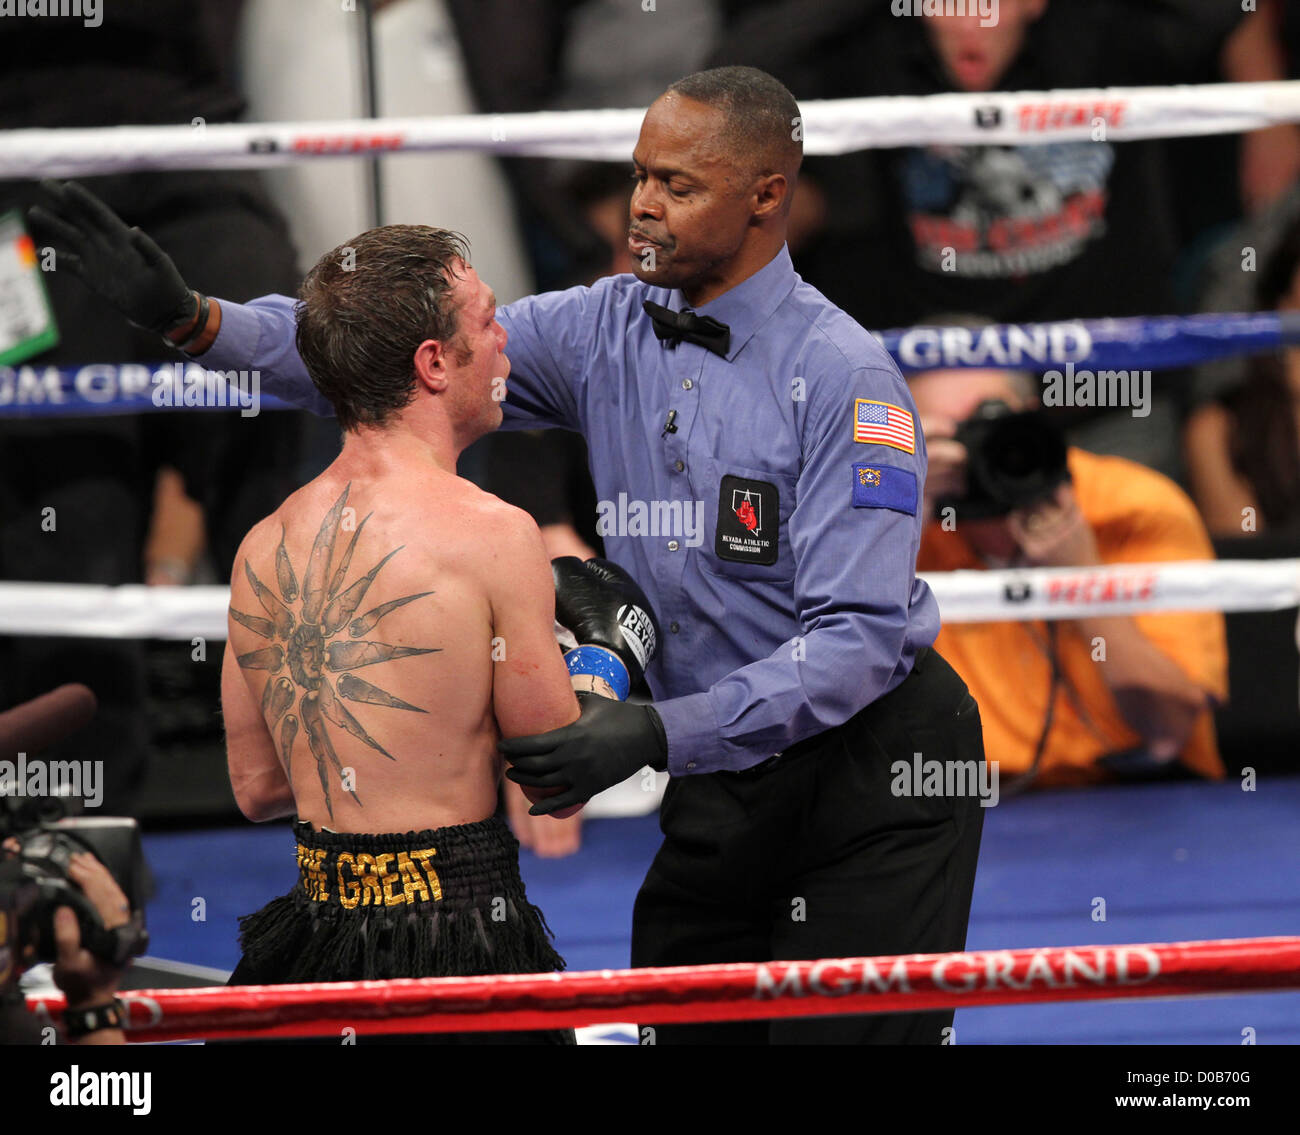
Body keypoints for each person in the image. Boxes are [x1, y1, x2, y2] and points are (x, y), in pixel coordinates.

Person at [30, 66, 986, 1046]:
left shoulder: (846, 378)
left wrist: (655, 731)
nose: (643, 207)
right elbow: (387, 355)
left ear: (766, 196)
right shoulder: (602, 327)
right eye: (639, 176)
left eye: (680, 186)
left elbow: (859, 643)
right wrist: (199, 321)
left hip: (867, 767)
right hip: (720, 773)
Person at [913, 366, 1228, 788]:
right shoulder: (889, 531)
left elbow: (1169, 731)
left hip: (1139, 795)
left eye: (989, 426)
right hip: (962, 799)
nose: (976, 451)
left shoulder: (1135, 508)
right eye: (948, 440)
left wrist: (1084, 582)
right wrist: (901, 513)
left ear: (1030, 418)